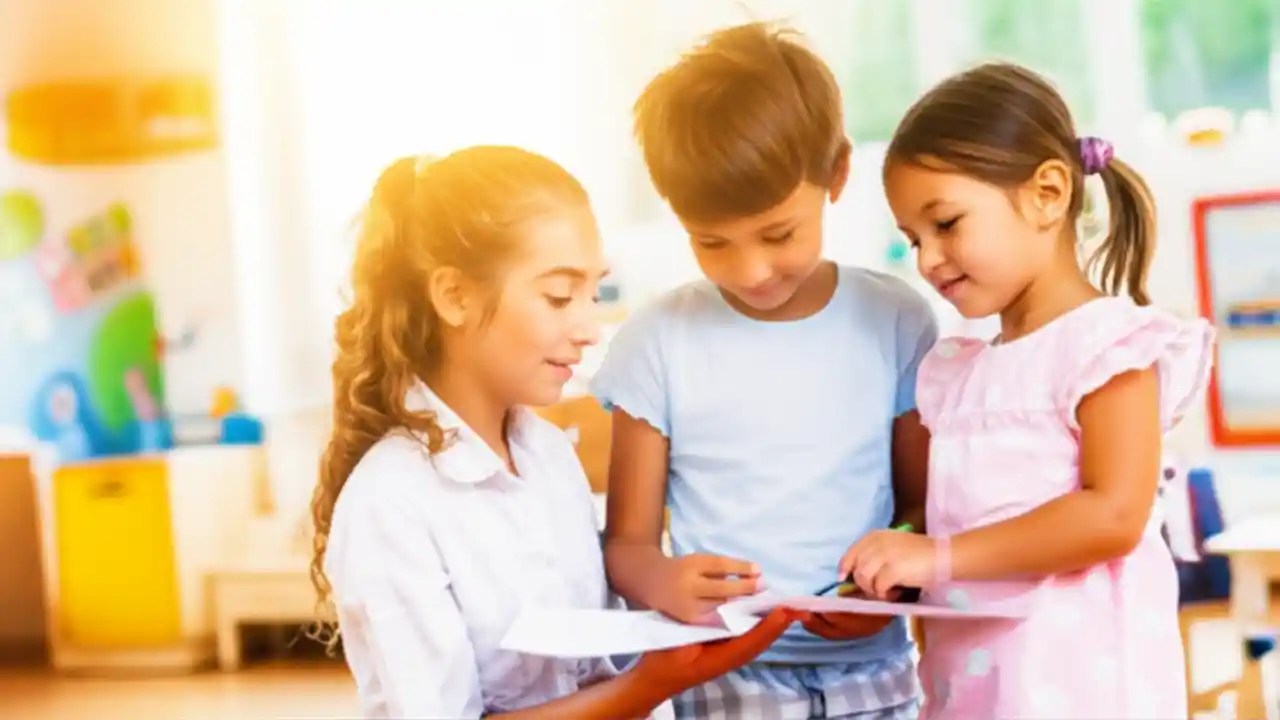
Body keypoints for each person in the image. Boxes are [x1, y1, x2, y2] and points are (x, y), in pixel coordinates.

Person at [310, 146, 803, 719]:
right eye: (559, 297)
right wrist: (644, 688)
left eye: (594, 295)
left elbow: (592, 656)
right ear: (454, 296)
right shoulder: (391, 503)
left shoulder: (545, 455)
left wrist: (669, 594)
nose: (589, 329)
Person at [842, 62, 1215, 718]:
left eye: (947, 223)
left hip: (1081, 693)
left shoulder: (1106, 347)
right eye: (911, 239)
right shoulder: (958, 373)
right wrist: (891, 561)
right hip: (973, 690)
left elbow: (1112, 515)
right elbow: (949, 517)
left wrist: (935, 556)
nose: (927, 259)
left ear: (1048, 193)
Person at [595, 22, 936, 720]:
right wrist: (663, 580)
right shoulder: (656, 342)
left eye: (778, 234)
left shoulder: (897, 320)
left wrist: (891, 588)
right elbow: (627, 545)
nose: (749, 270)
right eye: (710, 241)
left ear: (837, 174)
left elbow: (920, 513)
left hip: (876, 670)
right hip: (721, 675)